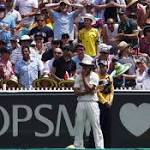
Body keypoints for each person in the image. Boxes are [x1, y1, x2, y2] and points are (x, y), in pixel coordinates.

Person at [73, 57, 104, 149]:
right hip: (81, 102)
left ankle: (99, 147)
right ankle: (78, 146)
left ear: (90, 68)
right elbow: (76, 92)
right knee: (79, 124)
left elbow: (90, 89)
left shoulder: (94, 76)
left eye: (86, 67)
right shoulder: (78, 76)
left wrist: (83, 79)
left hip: (92, 102)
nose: (84, 68)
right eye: (83, 66)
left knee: (95, 125)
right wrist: (87, 91)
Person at [88, 60, 114, 148]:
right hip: (99, 104)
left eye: (104, 66)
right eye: (101, 66)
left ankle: (106, 146)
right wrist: (104, 101)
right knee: (96, 125)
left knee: (107, 127)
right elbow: (97, 91)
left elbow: (111, 91)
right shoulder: (96, 77)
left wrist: (110, 101)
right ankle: (92, 146)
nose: (103, 68)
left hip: (108, 105)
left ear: (107, 67)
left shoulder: (109, 77)